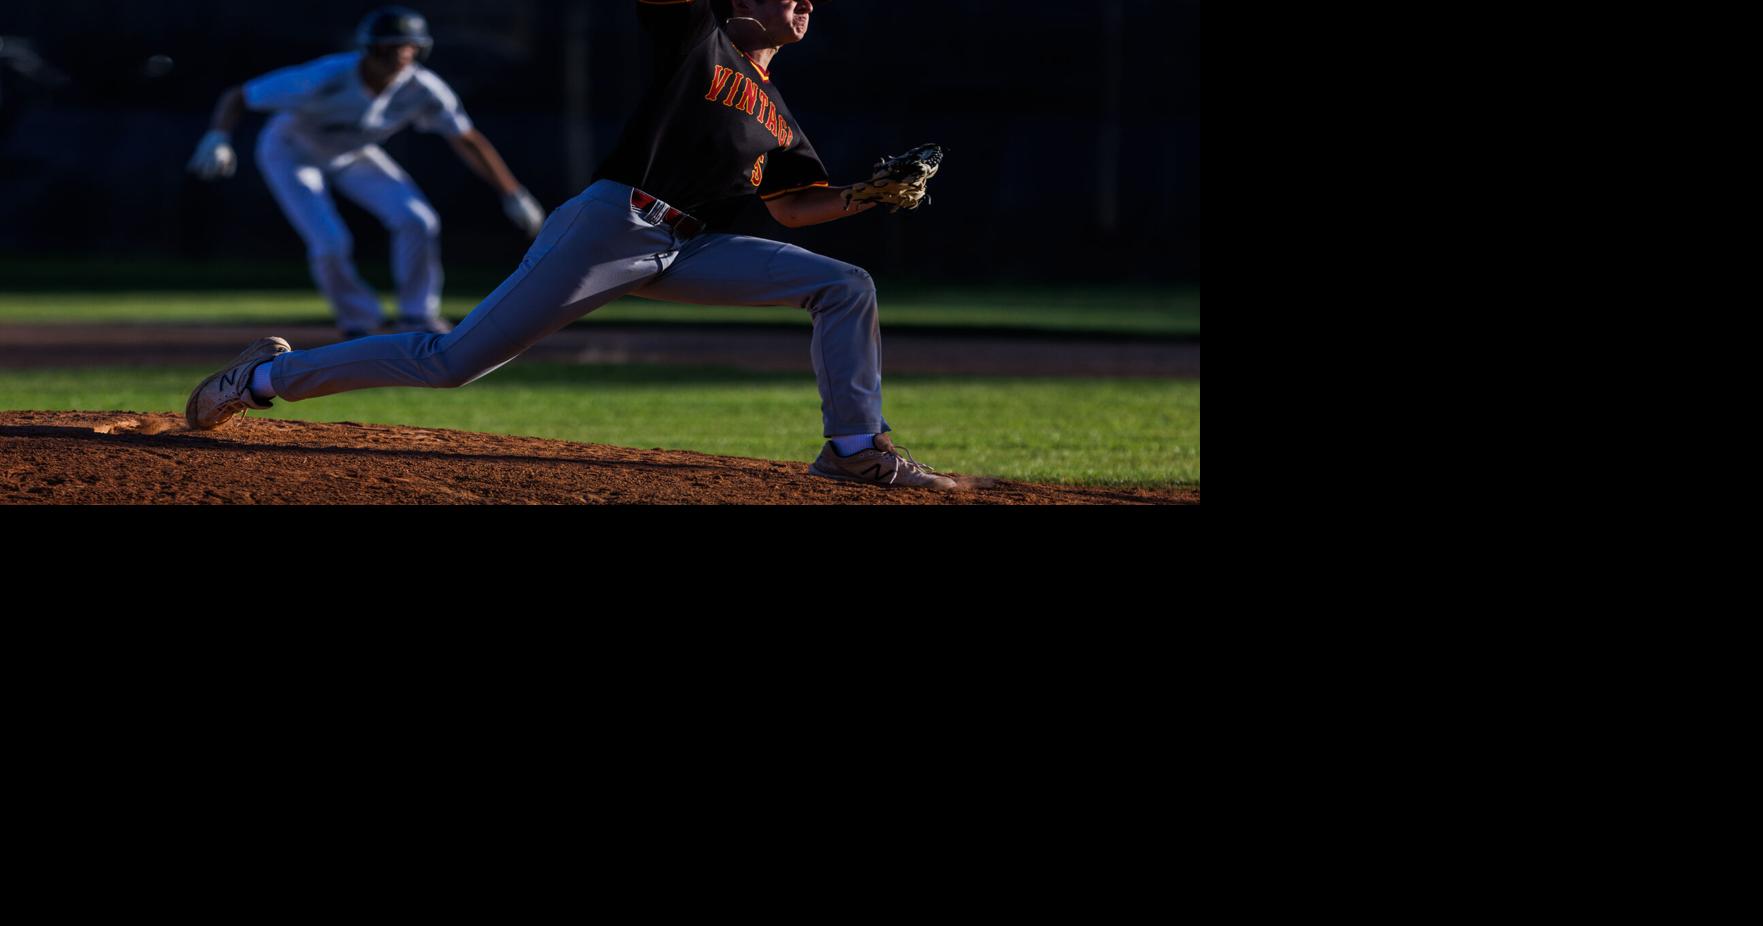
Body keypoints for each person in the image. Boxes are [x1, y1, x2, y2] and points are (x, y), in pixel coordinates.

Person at [186, 0, 956, 491]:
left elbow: (792, 207)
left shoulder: (781, 116)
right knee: (451, 364)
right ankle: (266, 376)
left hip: (693, 245)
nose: (803, 2)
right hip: (613, 225)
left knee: (843, 284)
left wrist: (862, 195)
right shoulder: (702, 40)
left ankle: (853, 447)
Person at [186, 5, 547, 338]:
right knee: (330, 242)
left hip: (354, 153)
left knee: (418, 220)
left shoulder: (424, 88)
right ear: (369, 49)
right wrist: (218, 136)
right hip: (290, 152)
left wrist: (512, 192)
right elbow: (238, 96)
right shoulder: (327, 75)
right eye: (388, 47)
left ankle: (417, 314)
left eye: (408, 47)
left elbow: (466, 138)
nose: (399, 56)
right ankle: (359, 320)